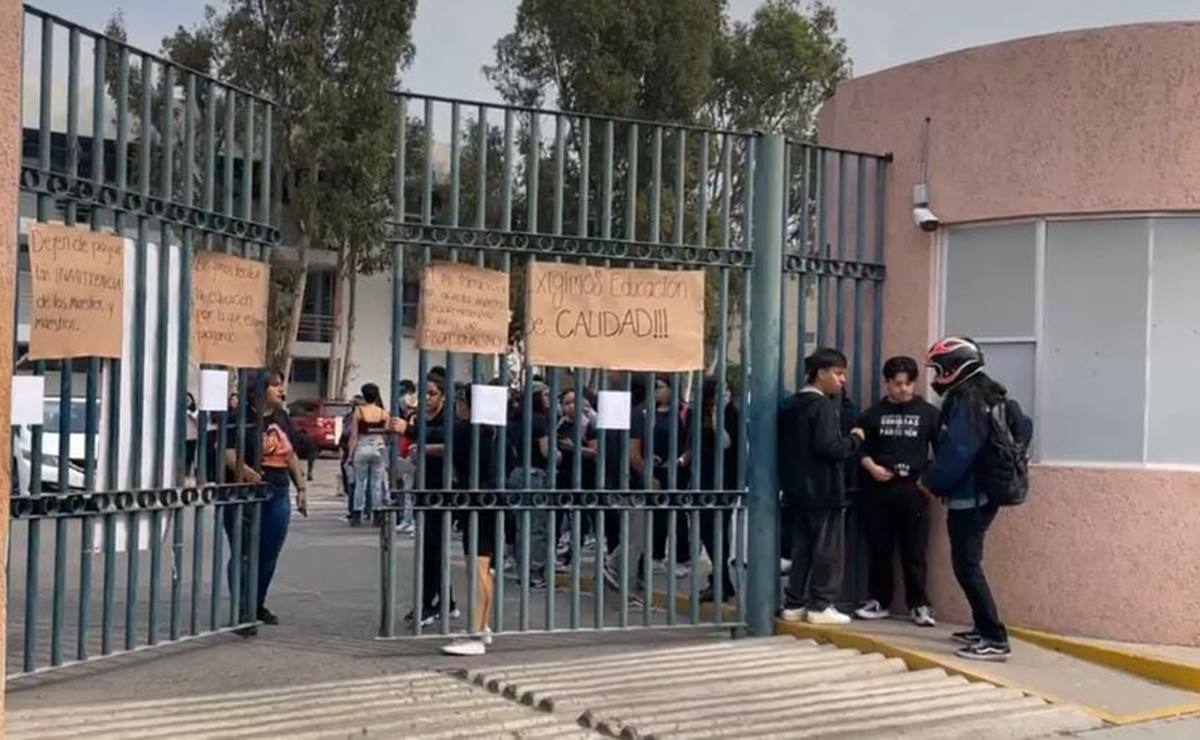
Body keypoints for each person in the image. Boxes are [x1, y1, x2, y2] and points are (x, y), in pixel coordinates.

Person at [919, 337, 1031, 662]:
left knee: (967, 566)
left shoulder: (966, 400)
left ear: (955, 368)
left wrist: (931, 481)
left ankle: (995, 638)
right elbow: (1024, 427)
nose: (936, 377)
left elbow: (958, 450)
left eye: (939, 370)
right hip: (986, 493)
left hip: (971, 496)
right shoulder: (992, 393)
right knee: (968, 564)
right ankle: (983, 629)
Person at [778, 348, 864, 625]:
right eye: (838, 373)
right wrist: (854, 439)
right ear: (821, 373)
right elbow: (829, 447)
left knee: (801, 549)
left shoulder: (791, 404)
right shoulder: (822, 406)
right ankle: (820, 605)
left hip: (797, 491)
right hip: (824, 490)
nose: (842, 380)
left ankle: (794, 603)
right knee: (828, 551)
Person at [853, 356, 941, 626]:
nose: (904, 389)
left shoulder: (928, 413)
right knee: (879, 549)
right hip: (878, 491)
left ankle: (919, 605)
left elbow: (942, 451)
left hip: (913, 490)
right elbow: (858, 448)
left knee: (914, 551)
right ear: (887, 383)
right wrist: (871, 467)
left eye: (909, 383)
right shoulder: (871, 415)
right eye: (898, 384)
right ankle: (879, 600)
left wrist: (928, 481)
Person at [226, 370, 308, 635]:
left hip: (278, 492)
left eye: (282, 384)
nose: (282, 390)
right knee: (245, 553)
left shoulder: (281, 417)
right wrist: (244, 470)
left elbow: (291, 454)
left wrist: (302, 487)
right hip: (245, 495)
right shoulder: (237, 418)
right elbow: (226, 451)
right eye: (275, 386)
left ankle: (257, 604)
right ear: (258, 391)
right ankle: (242, 611)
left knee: (268, 555)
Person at [442, 384, 499, 656]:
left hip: (476, 499)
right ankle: (483, 626)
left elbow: (441, 442)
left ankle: (476, 633)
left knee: (476, 566)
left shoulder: (466, 429)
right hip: (491, 498)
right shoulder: (494, 430)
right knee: (484, 566)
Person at [405, 374, 458, 627]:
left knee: (432, 549)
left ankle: (428, 603)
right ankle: (446, 602)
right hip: (424, 488)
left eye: (432, 393)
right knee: (430, 549)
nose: (426, 398)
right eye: (423, 394)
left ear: (443, 396)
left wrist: (420, 443)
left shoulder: (448, 418)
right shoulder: (422, 418)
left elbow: (452, 443)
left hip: (441, 491)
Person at [696, 376, 738, 603]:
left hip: (725, 481)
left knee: (718, 531)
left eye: (728, 391)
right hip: (703, 479)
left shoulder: (732, 415)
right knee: (706, 531)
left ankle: (721, 582)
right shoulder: (698, 414)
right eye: (720, 392)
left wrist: (717, 418)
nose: (725, 396)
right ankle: (722, 580)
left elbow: (726, 443)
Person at [649, 377, 691, 578]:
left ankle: (682, 558)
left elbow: (690, 441)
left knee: (678, 514)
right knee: (657, 513)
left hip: (676, 469)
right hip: (656, 469)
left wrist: (682, 459)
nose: (657, 391)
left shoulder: (684, 412)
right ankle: (656, 556)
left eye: (661, 387)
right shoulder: (650, 412)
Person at [349, 383, 393, 526]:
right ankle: (377, 514)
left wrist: (350, 455)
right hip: (378, 447)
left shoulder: (358, 411)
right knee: (376, 483)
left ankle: (357, 514)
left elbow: (354, 435)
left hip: (362, 446)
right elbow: (387, 435)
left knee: (360, 483)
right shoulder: (383, 413)